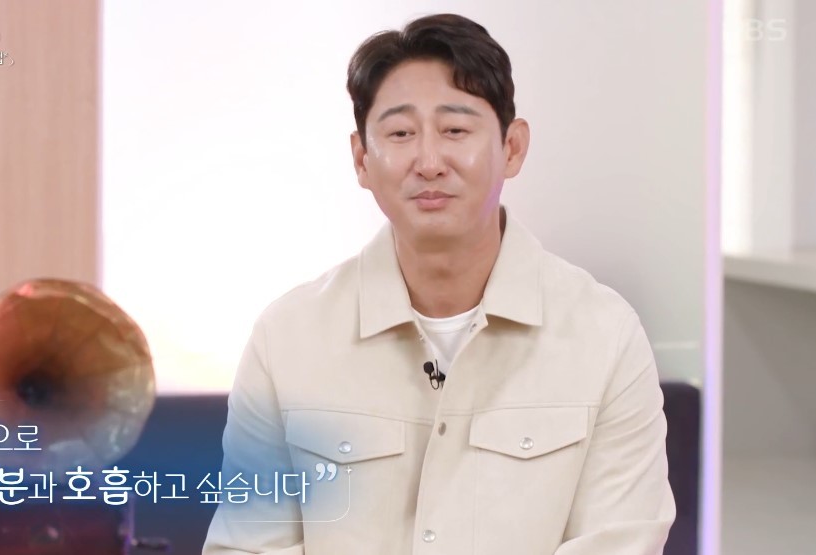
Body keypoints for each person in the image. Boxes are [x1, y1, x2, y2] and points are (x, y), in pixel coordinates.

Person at [203, 12, 675, 554]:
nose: (428, 162)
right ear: (361, 159)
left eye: (455, 130)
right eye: (401, 134)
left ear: (512, 147)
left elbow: (620, 542)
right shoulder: (287, 338)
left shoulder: (604, 336)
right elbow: (249, 545)